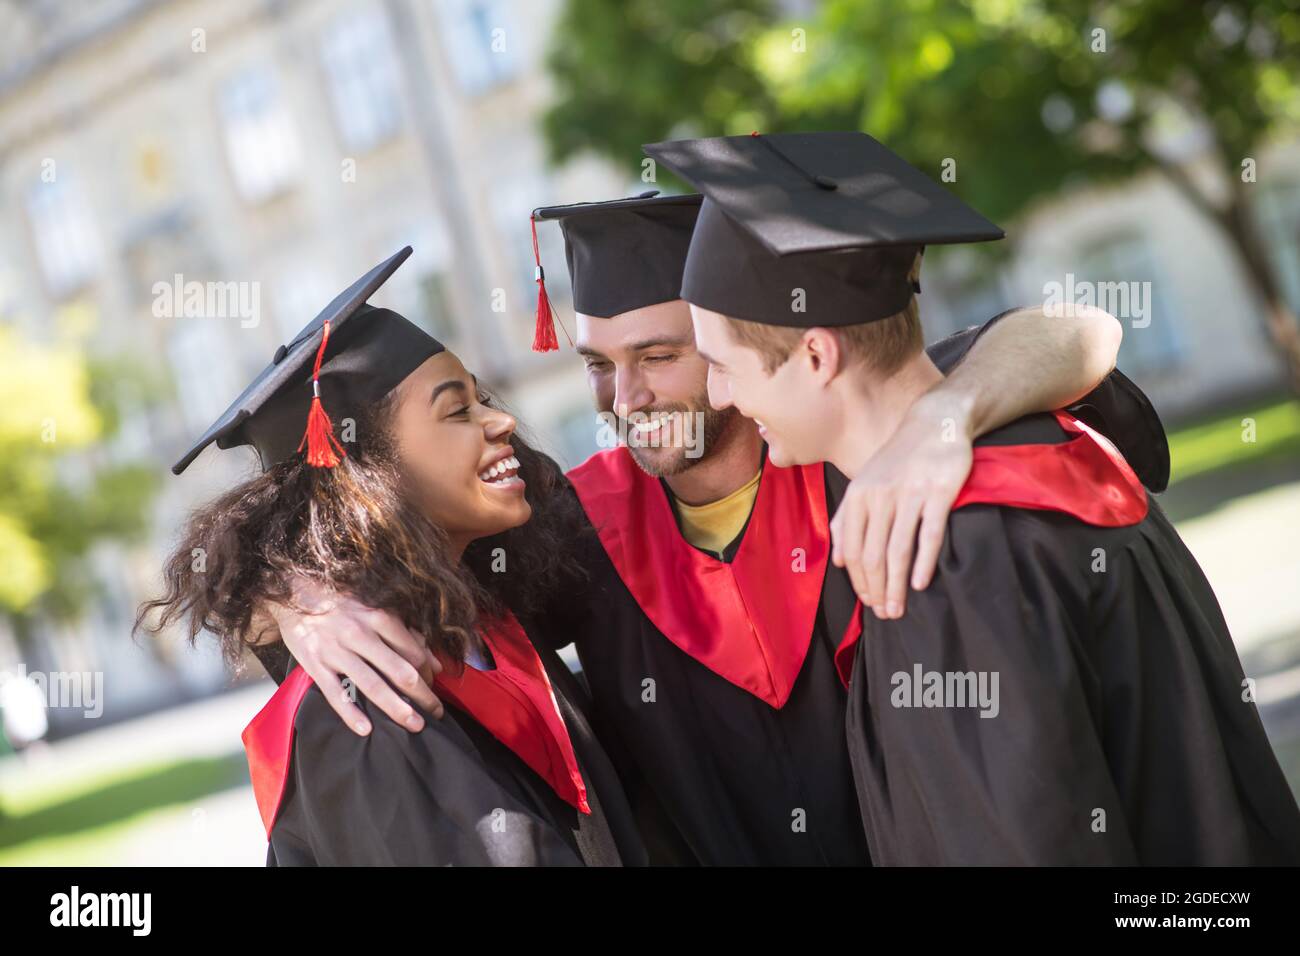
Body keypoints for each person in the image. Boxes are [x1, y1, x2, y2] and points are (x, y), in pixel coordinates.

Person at [253, 191, 1165, 864]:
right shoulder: (578, 527)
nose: (628, 398)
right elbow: (373, 530)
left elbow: (1076, 332)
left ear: (736, 342)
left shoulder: (866, 457)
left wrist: (947, 417)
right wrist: (301, 594)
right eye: (600, 366)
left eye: (659, 355)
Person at [655, 129, 1300, 864]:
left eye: (723, 366)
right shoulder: (1051, 433)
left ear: (815, 354)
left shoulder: (935, 552)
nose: (719, 396)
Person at [137, 249, 645, 866]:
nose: (502, 420)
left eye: (481, 398)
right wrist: (293, 593)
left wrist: (291, 591)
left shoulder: (491, 614)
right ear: (366, 474)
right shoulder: (364, 707)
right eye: (458, 410)